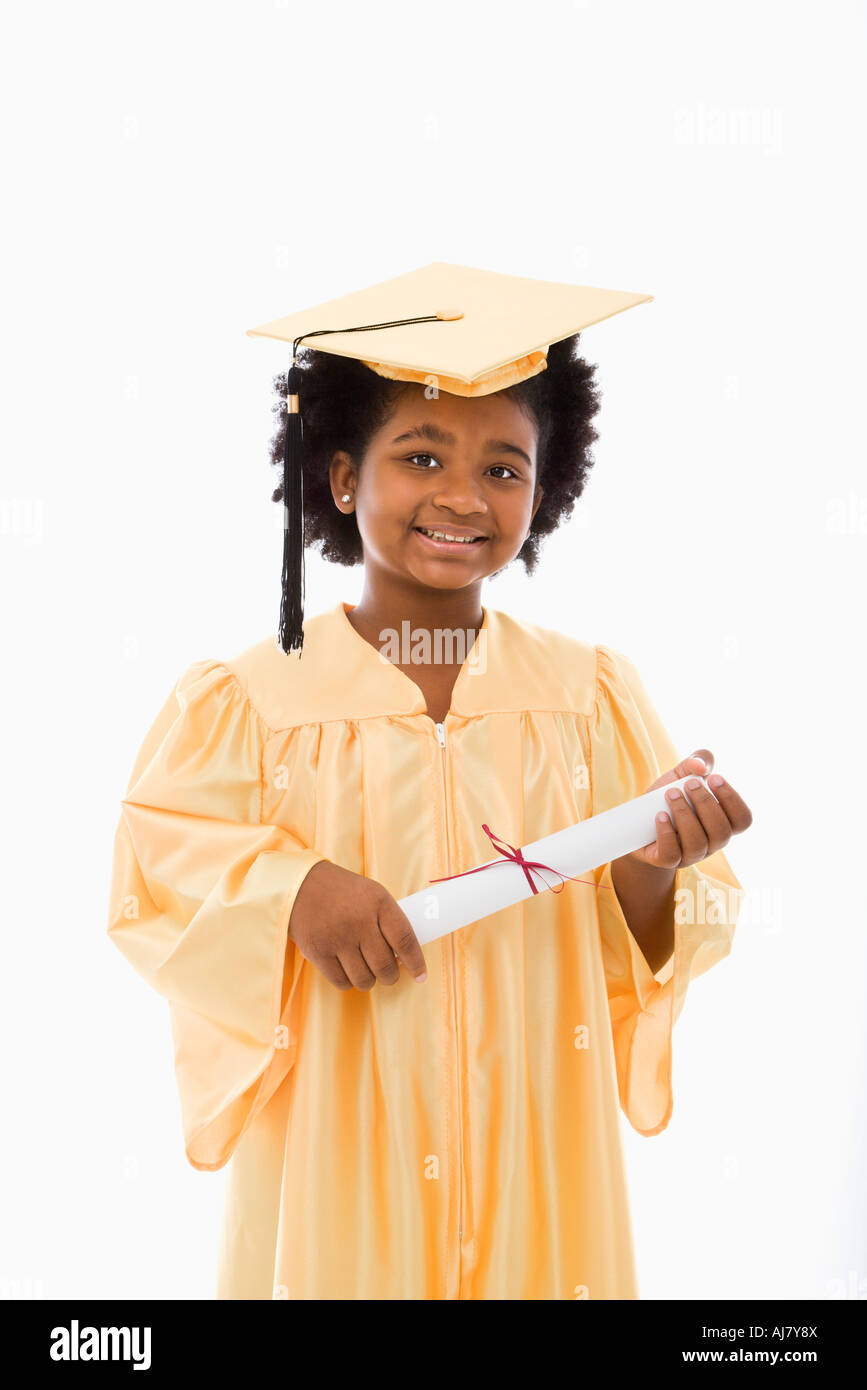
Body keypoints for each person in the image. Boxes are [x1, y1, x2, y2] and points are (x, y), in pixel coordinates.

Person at [107, 263, 751, 1300]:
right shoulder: (249, 701)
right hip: (340, 1147)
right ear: (345, 474)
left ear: (546, 490)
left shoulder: (588, 696)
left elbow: (640, 941)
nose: (463, 495)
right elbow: (157, 879)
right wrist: (292, 890)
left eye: (505, 468)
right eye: (421, 455)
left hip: (536, 1135)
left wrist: (652, 866)